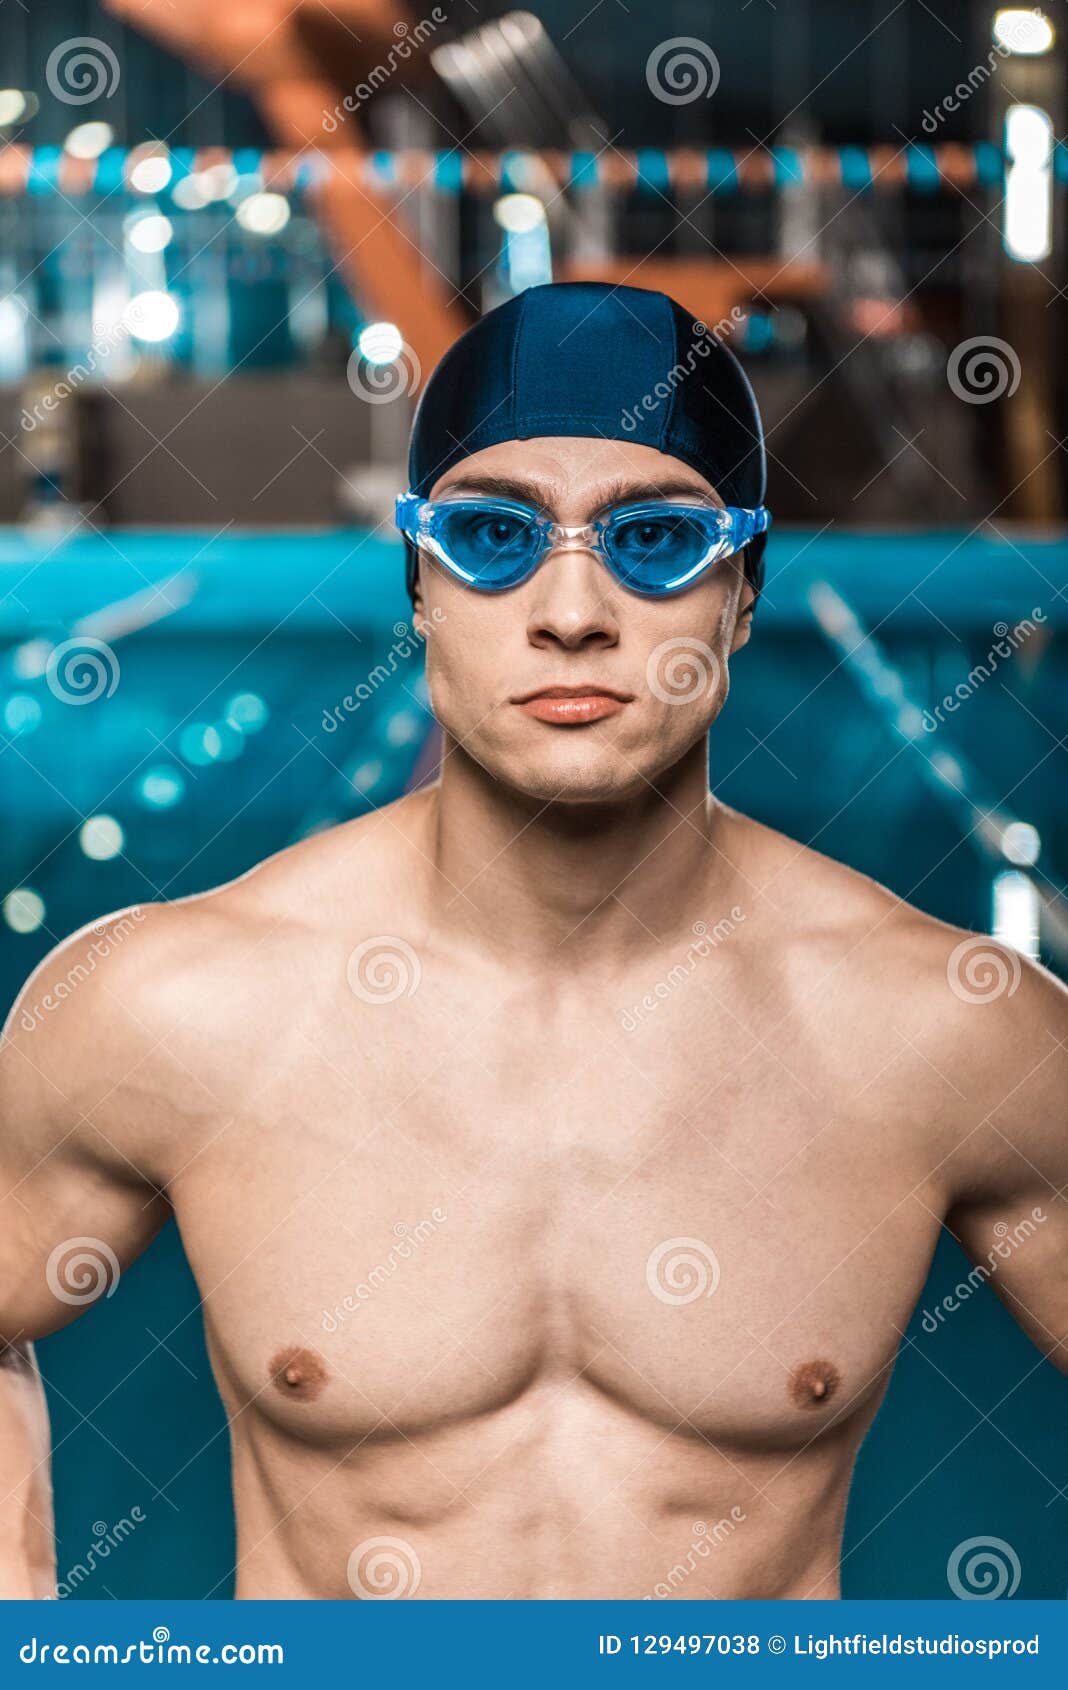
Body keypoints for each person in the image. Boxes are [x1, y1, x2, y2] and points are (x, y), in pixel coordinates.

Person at [2, 283, 1066, 1600]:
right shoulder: (178, 1000)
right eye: (494, 536)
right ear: (420, 589)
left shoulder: (945, 1026)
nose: (573, 609)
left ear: (741, 593)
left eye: (658, 539)